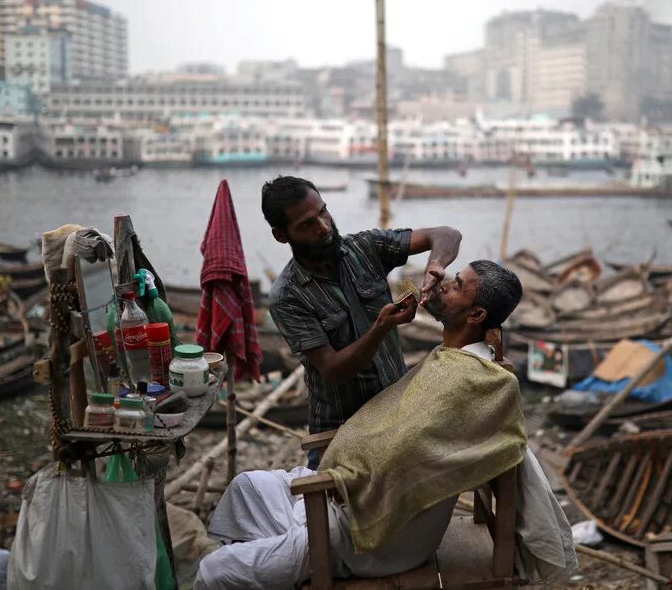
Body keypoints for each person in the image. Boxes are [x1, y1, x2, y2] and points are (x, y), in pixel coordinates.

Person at [194, 261, 575, 589]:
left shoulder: (475, 380)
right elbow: (400, 438)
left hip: (374, 540)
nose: (444, 284)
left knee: (213, 572)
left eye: (457, 286)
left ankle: (289, 557)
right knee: (246, 487)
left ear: (476, 316)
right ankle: (281, 557)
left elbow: (407, 449)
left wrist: (346, 480)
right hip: (344, 500)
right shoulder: (450, 359)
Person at [261, 176, 461, 468]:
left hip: (397, 414)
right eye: (307, 224)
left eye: (323, 212)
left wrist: (435, 265)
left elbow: (446, 234)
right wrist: (381, 328)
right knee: (341, 511)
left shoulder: (365, 248)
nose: (324, 227)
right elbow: (333, 370)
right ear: (281, 235)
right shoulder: (288, 296)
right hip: (339, 432)